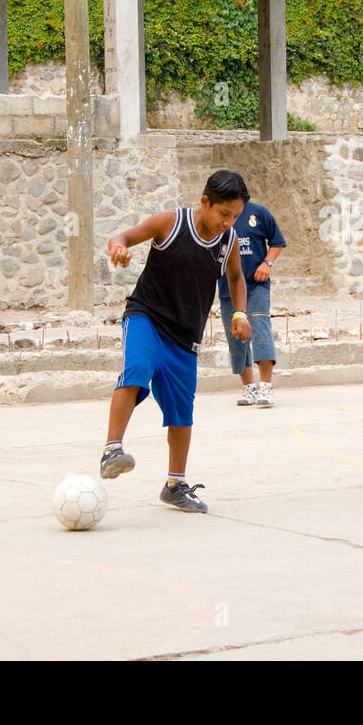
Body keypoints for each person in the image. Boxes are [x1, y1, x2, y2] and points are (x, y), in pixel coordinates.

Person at [98, 170, 252, 514]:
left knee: (182, 413)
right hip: (146, 316)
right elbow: (121, 236)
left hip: (185, 335)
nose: (228, 222)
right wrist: (119, 248)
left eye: (235, 216)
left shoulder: (227, 242)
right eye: (223, 214)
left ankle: (175, 484)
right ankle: (112, 449)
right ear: (204, 202)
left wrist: (240, 313)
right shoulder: (170, 223)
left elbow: (237, 277)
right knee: (137, 367)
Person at [218, 200, 286, 407]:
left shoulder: (259, 212)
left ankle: (266, 385)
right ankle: (249, 387)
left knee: (260, 330)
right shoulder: (217, 215)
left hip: (256, 284)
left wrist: (267, 263)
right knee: (236, 336)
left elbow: (277, 241)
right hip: (227, 286)